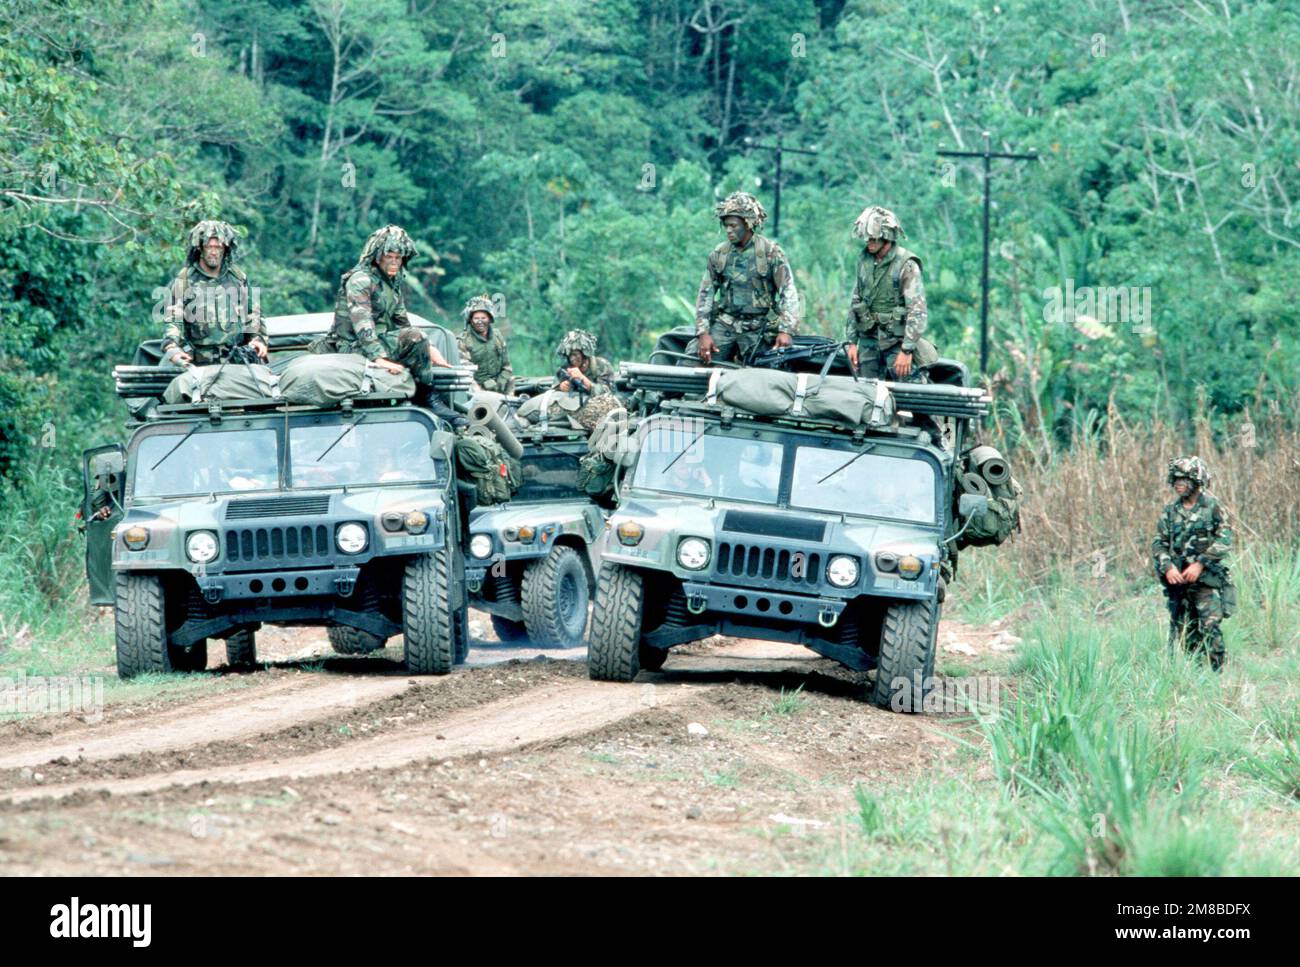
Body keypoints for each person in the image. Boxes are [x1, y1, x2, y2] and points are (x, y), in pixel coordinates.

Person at [313, 225, 464, 426]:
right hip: (354, 346)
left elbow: (402, 322)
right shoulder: (361, 280)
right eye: (389, 256)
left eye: (398, 258)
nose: (394, 262)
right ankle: (425, 398)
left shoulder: (391, 283)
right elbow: (363, 323)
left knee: (417, 338)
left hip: (379, 342)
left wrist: (428, 347)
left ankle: (425, 395)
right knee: (415, 338)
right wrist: (380, 358)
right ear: (377, 257)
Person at [690, 191, 800, 365]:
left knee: (772, 375)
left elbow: (788, 292)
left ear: (748, 224)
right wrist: (703, 333)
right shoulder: (719, 254)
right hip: (726, 324)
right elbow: (705, 294)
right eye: (726, 225)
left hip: (759, 327)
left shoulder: (771, 252)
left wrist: (786, 331)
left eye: (734, 225)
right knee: (691, 364)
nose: (728, 230)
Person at [1152, 456, 1234, 672]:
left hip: (1207, 580)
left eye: (1184, 479)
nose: (1178, 484)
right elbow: (1159, 543)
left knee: (1210, 626)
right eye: (1175, 479)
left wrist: (1200, 563)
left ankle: (1218, 673)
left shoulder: (1213, 506)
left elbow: (1226, 540)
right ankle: (1197, 675)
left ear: (1196, 481)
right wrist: (1168, 566)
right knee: (1186, 632)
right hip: (1179, 583)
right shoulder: (1170, 511)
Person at [843, 206, 937, 381]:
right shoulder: (865, 261)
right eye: (867, 239)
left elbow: (917, 310)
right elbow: (856, 300)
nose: (869, 243)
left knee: (910, 394)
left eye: (873, 239)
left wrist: (907, 350)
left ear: (887, 238)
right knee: (865, 395)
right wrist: (852, 342)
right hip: (868, 341)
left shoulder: (905, 265)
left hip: (896, 343)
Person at [160, 220, 267, 366]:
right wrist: (172, 346)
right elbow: (173, 319)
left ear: (225, 249)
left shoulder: (237, 278)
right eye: (209, 246)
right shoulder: (185, 279)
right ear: (200, 248)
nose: (213, 251)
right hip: (196, 360)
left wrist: (257, 339)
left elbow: (253, 314)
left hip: (236, 359)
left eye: (218, 247)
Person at [456, 295, 515, 394]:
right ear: (470, 321)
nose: (480, 321)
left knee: (512, 381)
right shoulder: (463, 340)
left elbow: (506, 365)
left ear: (489, 319)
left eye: (483, 318)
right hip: (476, 384)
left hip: (499, 382)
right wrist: (485, 381)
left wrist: (502, 379)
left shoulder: (497, 336)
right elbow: (465, 370)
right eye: (476, 318)